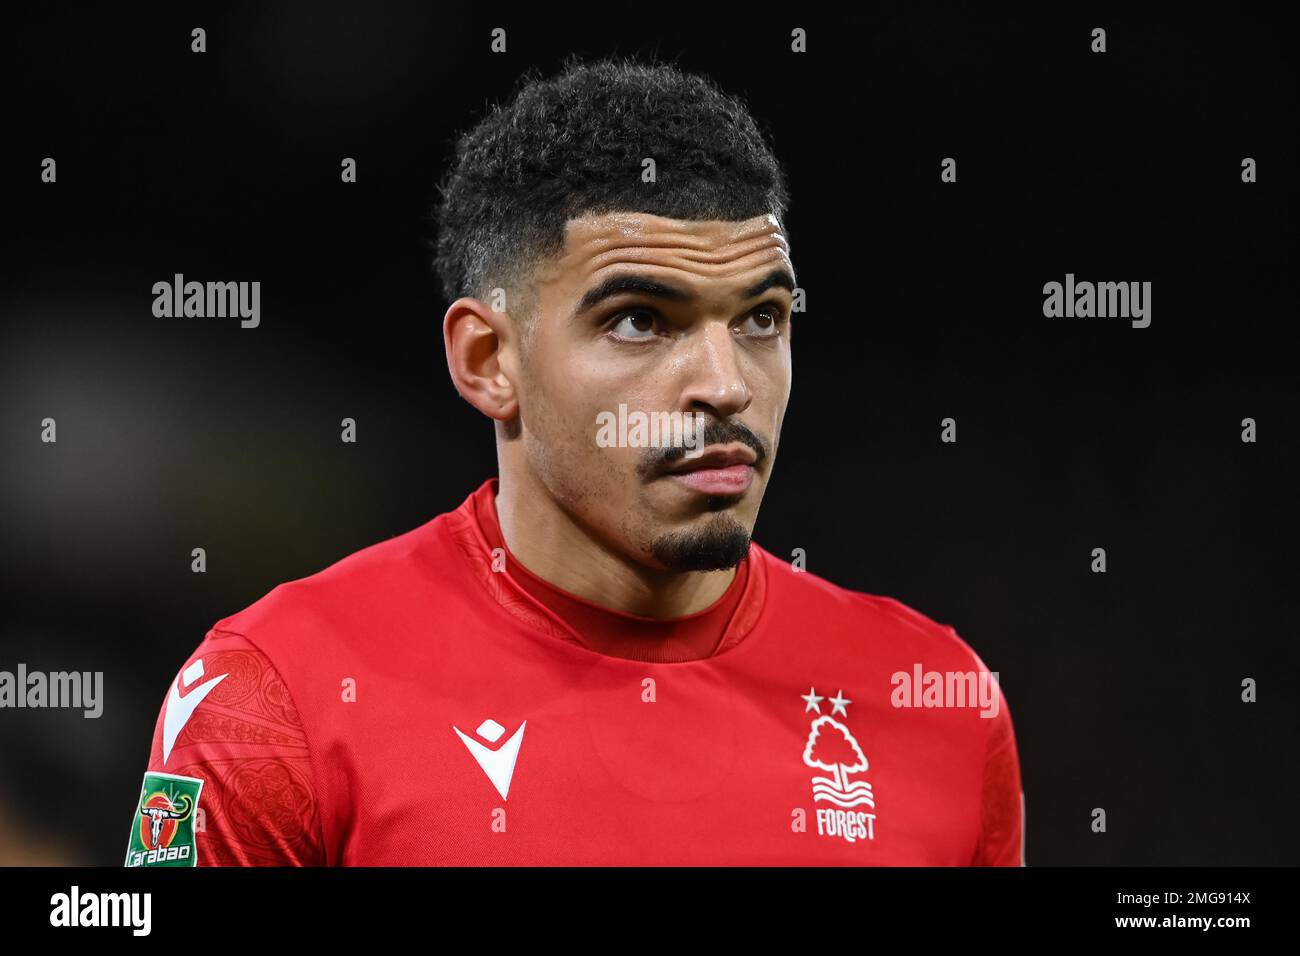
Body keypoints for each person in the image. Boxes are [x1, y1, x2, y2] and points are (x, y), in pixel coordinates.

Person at [124, 55, 1023, 866]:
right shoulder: (272, 699)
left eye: (761, 318)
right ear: (489, 361)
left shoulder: (940, 703)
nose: (726, 385)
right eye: (639, 319)